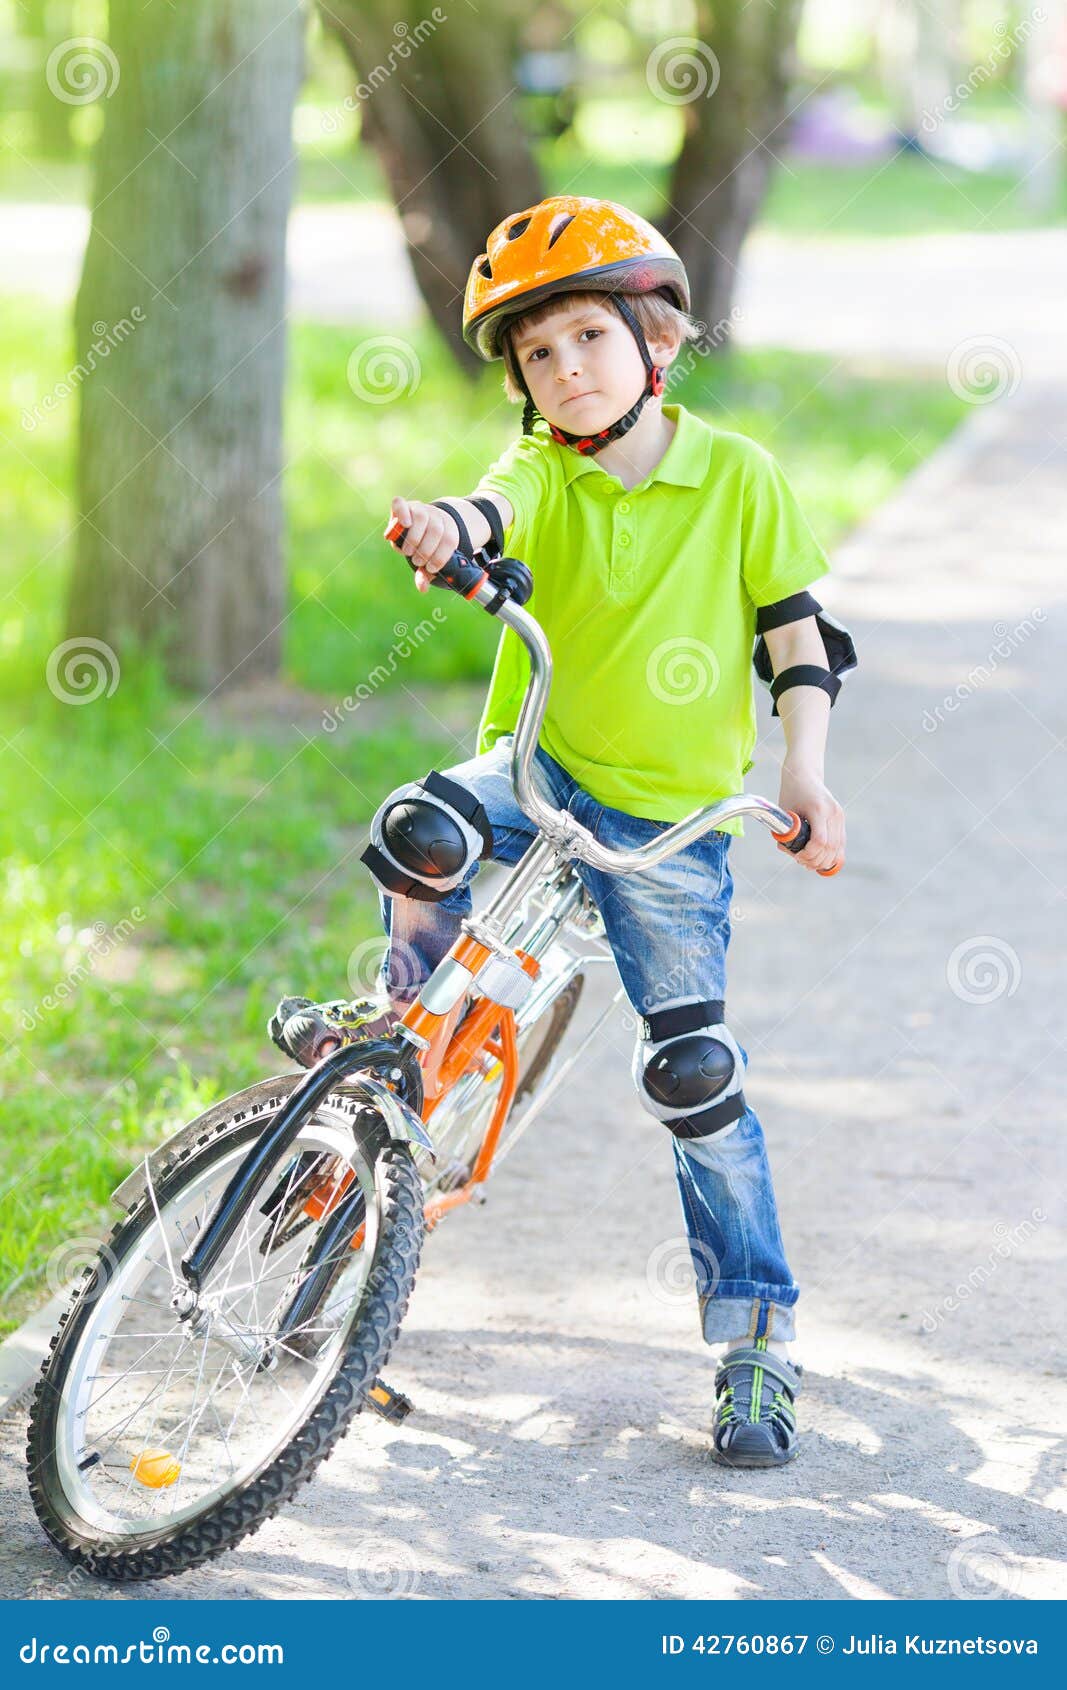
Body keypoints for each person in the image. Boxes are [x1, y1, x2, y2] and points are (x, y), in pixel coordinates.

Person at [270, 196, 857, 1467]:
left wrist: (804, 772)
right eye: (537, 355)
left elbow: (795, 636)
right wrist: (445, 528)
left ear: (655, 342)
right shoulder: (538, 469)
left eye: (587, 337)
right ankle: (397, 1006)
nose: (564, 370)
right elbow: (486, 516)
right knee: (421, 830)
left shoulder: (738, 475)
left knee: (695, 1076)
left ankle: (756, 1336)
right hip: (536, 769)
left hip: (674, 824)